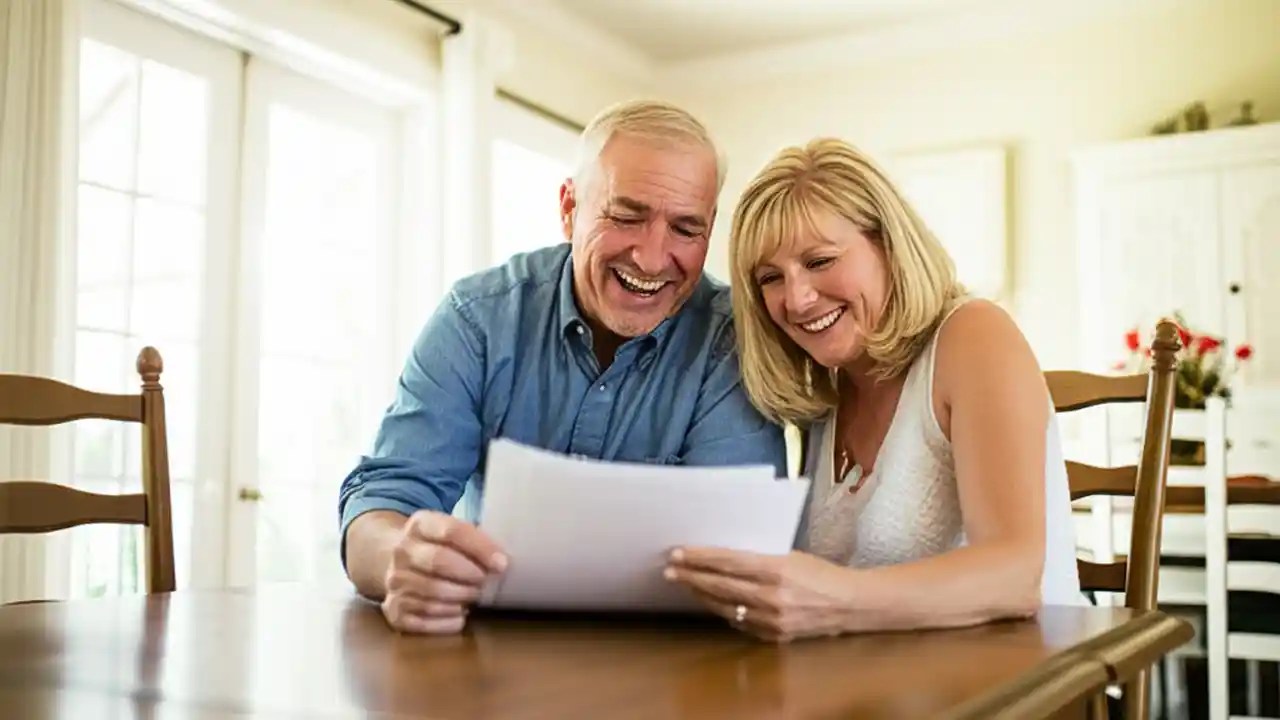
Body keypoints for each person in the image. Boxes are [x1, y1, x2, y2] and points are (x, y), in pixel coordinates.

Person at [339, 99, 788, 634]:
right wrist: (399, 562)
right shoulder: (477, 319)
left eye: (686, 230)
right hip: (484, 658)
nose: (650, 257)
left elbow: (738, 562)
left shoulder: (731, 344)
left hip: (670, 669)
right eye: (626, 216)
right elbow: (384, 499)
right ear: (570, 208)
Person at [664, 138, 1083, 642]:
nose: (796, 299)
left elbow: (1014, 578)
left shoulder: (975, 335)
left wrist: (833, 600)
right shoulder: (828, 394)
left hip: (1017, 687)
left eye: (819, 261)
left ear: (888, 245)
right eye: (771, 278)